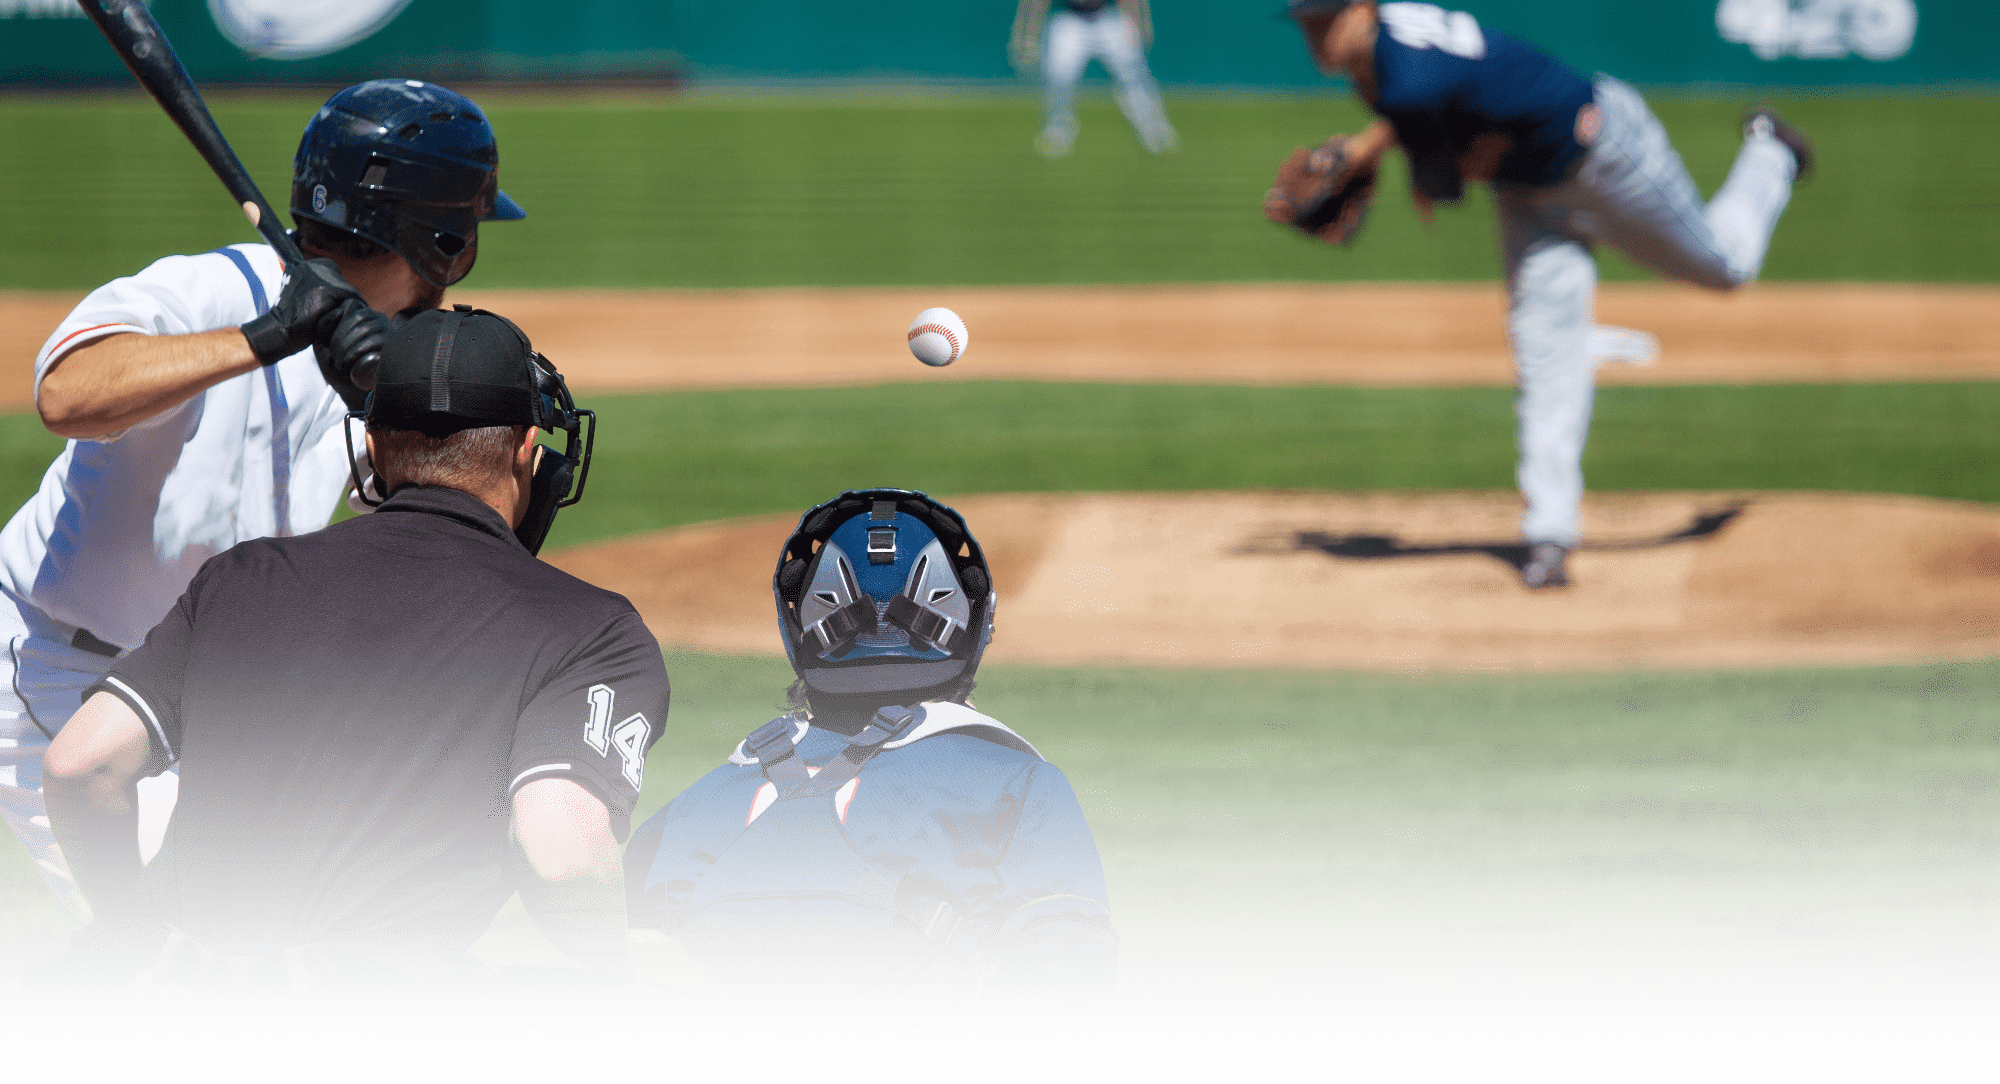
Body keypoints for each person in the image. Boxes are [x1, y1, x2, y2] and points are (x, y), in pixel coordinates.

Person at [21, 306, 668, 1011]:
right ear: (526, 448)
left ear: (375, 445)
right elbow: (562, 848)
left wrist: (128, 925)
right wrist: (618, 965)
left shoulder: (244, 578)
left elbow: (80, 762)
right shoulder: (587, 628)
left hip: (184, 1012)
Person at [0, 78, 528, 925]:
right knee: (210, 924)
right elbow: (68, 392)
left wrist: (389, 395)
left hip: (206, 688)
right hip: (59, 672)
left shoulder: (383, 354)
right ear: (443, 239)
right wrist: (266, 338)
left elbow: (431, 518)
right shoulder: (205, 291)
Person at [1279, 0, 1812, 588]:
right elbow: (1429, 112)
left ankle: (1772, 150)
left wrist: (1395, 175)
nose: (1314, 35)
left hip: (1604, 154)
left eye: (1325, 20)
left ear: (1363, 8)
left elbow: (1452, 169)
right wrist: (1362, 152)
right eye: (1305, 23)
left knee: (1725, 265)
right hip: (1528, 193)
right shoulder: (1388, 57)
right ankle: (1550, 533)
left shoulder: (1407, 75)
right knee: (1545, 354)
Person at [624, 489, 1118, 1010]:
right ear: (973, 628)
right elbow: (1073, 974)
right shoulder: (1014, 784)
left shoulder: (701, 803)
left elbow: (611, 954)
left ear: (800, 632)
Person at [1010, 0, 1177, 157]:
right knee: (1058, 79)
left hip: (1106, 18)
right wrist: (1029, 33)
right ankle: (1057, 131)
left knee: (1134, 78)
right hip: (1071, 19)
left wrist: (1137, 21)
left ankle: (1155, 131)